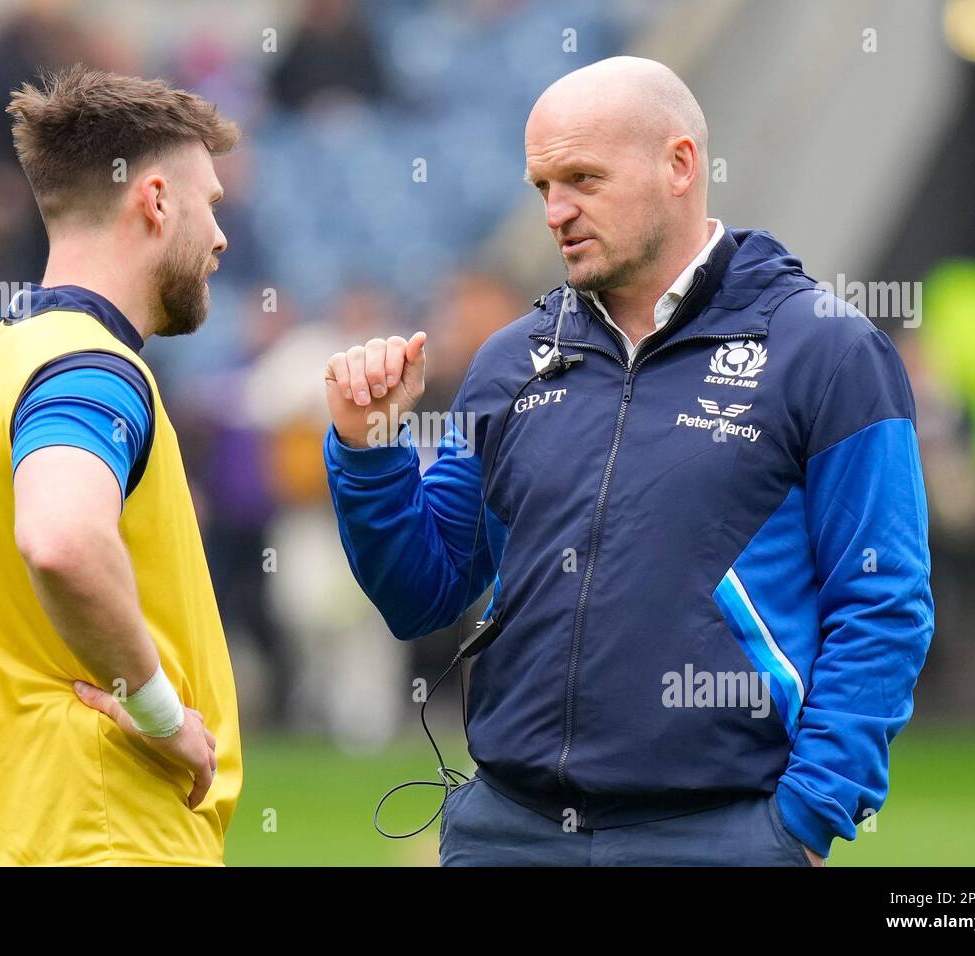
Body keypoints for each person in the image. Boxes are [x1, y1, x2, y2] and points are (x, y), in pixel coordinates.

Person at [322, 57, 934, 866]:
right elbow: (421, 593)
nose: (556, 211)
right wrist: (370, 453)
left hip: (722, 833)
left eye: (582, 177)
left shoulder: (825, 349)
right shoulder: (511, 361)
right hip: (508, 829)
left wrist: (810, 813)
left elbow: (883, 599)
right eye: (543, 185)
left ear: (680, 164)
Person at [0, 66, 241, 865]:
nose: (220, 236)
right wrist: (166, 716)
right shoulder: (89, 367)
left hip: (22, 829)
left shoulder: (4, 358)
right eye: (210, 203)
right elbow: (61, 537)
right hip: (109, 831)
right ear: (157, 199)